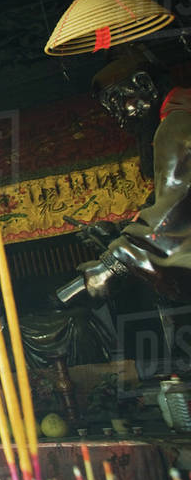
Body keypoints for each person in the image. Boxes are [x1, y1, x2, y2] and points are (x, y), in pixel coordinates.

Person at [59, 53, 191, 302]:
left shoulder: (178, 125)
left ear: (145, 85)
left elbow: (173, 212)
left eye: (119, 101)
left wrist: (112, 264)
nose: (119, 118)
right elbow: (161, 204)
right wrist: (116, 233)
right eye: (111, 110)